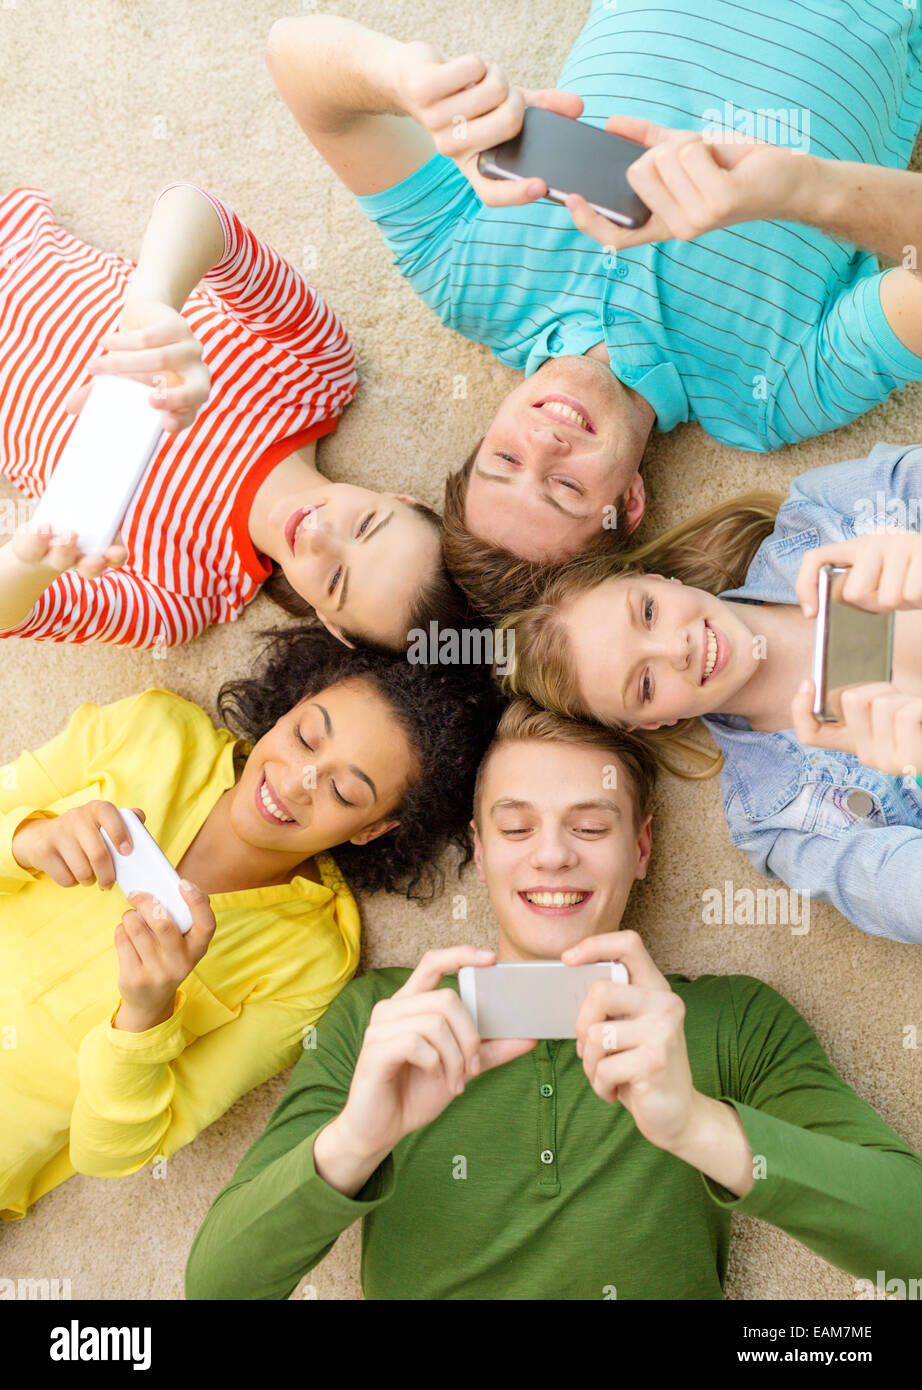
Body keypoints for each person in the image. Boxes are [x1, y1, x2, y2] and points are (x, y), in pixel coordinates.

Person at [184, 702, 922, 1300]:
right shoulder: (383, 1017)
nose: (552, 854)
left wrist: (698, 1125)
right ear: (478, 849)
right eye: (516, 827)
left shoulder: (734, 1023)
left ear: (641, 847)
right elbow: (218, 1288)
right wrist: (357, 1140)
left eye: (591, 826)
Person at [266, 4, 922, 616]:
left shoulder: (465, 284)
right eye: (565, 490)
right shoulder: (768, 397)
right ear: (629, 502)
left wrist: (403, 79)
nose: (545, 447)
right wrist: (805, 191)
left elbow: (292, 56)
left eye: (506, 463)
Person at [0, 623, 501, 1219]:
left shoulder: (310, 963)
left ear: (372, 831)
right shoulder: (150, 730)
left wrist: (145, 1013)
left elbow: (110, 1153)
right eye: (306, 736)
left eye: (343, 791)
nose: (293, 781)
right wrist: (29, 841)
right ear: (294, 704)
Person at [0, 181, 469, 652]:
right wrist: (151, 306)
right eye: (365, 525)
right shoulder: (318, 370)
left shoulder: (181, 598)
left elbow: (11, 613)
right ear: (404, 499)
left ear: (332, 626)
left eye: (335, 580)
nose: (319, 535)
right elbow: (197, 210)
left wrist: (30, 564)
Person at [503, 443, 922, 944]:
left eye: (648, 613)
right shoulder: (774, 820)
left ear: (655, 579)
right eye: (646, 683)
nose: (676, 649)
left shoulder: (823, 514)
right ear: (652, 723)